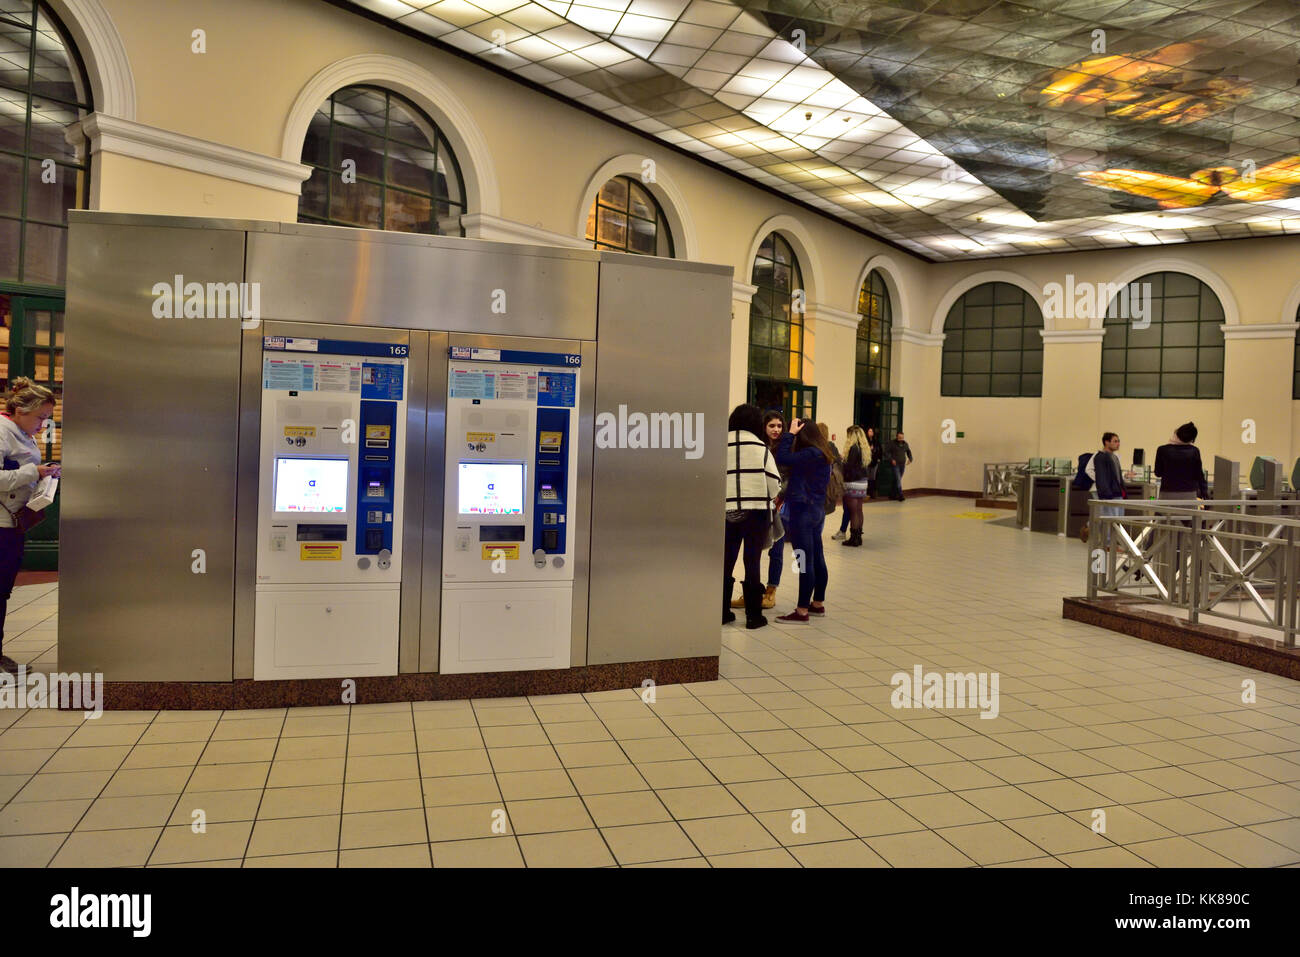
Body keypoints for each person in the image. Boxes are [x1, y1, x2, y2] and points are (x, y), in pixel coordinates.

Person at [0, 378, 59, 675]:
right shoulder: (2, 432)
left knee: (3, 591)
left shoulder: (24, 434)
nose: (43, 424)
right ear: (21, 409)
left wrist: (43, 474)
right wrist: (32, 472)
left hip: (13, 522)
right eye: (41, 417)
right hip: (1, 524)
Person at [723, 405, 782, 629]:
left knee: (727, 559)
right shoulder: (760, 448)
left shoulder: (721, 445)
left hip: (725, 510)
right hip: (755, 511)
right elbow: (774, 484)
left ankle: (722, 612)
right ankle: (753, 616)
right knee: (752, 561)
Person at [773, 419, 831, 624]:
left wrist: (789, 433)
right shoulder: (821, 453)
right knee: (816, 557)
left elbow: (782, 457)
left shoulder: (810, 454)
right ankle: (817, 603)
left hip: (803, 511)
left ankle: (802, 610)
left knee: (804, 561)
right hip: (816, 510)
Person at [1154, 422, 1207, 500]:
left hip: (1167, 494)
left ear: (1177, 433)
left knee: (1164, 512)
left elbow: (1158, 473)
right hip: (1189, 495)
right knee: (1188, 513)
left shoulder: (1162, 450)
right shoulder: (1194, 451)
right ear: (1192, 439)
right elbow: (1199, 475)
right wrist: (1204, 493)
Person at [838, 426, 872, 547]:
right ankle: (859, 536)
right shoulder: (864, 448)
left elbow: (850, 467)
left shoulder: (853, 448)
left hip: (852, 481)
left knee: (853, 511)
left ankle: (854, 538)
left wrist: (843, 463)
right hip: (862, 481)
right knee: (859, 510)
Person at [1092, 432, 1126, 547]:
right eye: (1115, 441)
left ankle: (1115, 543)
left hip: (1118, 493)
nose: (1118, 444)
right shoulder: (1100, 457)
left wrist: (1123, 490)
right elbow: (1101, 477)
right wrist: (1106, 494)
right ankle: (1107, 544)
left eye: (1118, 441)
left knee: (1118, 521)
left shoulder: (1115, 457)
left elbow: (1118, 477)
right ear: (1107, 442)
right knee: (1109, 520)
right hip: (1109, 495)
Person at [885, 430, 913, 501]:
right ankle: (900, 495)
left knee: (897, 480)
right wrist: (891, 459)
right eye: (899, 438)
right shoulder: (892, 443)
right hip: (895, 464)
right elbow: (886, 452)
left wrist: (910, 458)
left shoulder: (905, 444)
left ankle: (892, 495)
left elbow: (908, 451)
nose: (901, 439)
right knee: (898, 479)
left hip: (902, 464)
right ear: (896, 437)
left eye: (902, 438)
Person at [865, 426, 882, 498]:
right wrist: (869, 449)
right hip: (867, 461)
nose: (871, 433)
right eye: (869, 431)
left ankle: (872, 493)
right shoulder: (865, 441)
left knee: (873, 478)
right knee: (867, 477)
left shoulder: (876, 441)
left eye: (872, 431)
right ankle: (866, 493)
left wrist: (879, 458)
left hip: (874, 461)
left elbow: (880, 450)